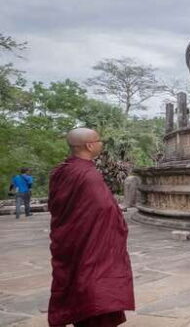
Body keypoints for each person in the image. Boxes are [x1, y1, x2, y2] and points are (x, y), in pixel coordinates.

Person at [48, 128, 134, 327]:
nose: (101, 143)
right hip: (92, 243)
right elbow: (104, 209)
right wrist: (117, 228)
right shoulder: (87, 175)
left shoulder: (62, 170)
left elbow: (56, 206)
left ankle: (82, 314)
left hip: (70, 240)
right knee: (94, 281)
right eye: (99, 140)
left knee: (77, 278)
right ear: (89, 145)